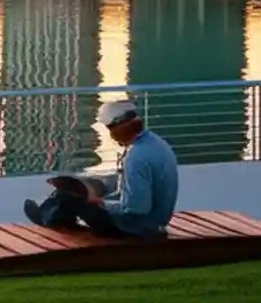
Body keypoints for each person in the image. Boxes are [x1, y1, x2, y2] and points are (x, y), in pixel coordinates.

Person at [24, 99, 179, 238]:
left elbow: (136, 208)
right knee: (89, 188)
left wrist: (101, 204)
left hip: (134, 228)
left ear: (119, 127)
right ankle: (61, 219)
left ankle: (46, 216)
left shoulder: (136, 157)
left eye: (110, 129)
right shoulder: (157, 143)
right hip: (155, 223)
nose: (111, 135)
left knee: (69, 195)